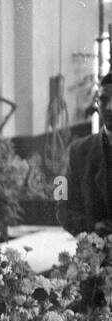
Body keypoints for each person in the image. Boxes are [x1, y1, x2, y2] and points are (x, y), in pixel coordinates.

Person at [62, 72, 112, 236]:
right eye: (104, 100)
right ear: (97, 103)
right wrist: (92, 227)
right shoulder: (77, 151)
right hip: (94, 257)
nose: (109, 107)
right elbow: (62, 207)